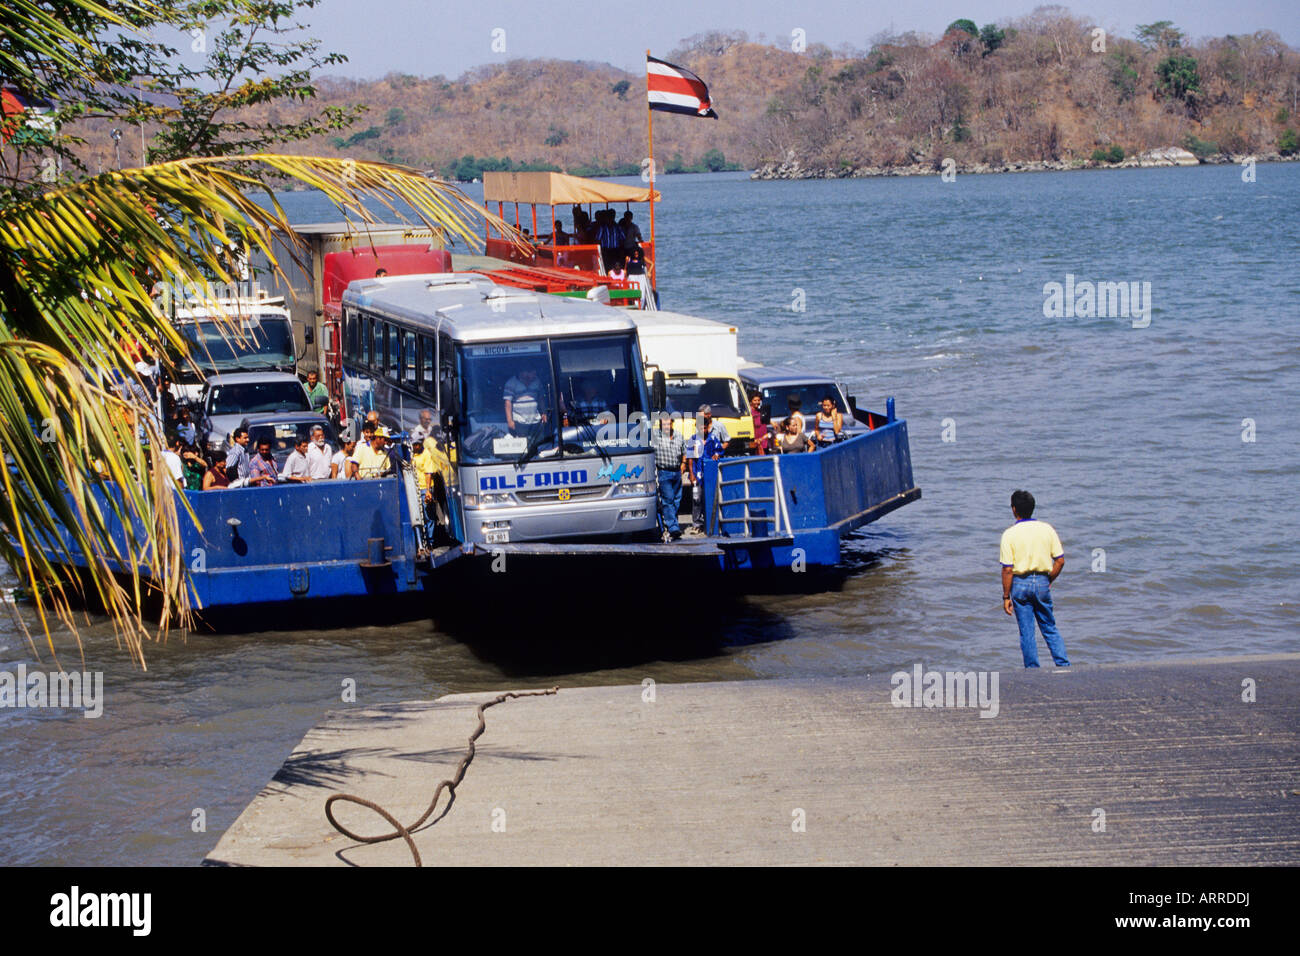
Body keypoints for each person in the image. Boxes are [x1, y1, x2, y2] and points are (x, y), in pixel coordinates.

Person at [1000, 489, 1069, 669]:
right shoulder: (1047, 529)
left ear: (1014, 510)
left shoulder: (1009, 534)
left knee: (1027, 632)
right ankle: (1063, 664)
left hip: (1020, 584)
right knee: (1049, 627)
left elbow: (1007, 569)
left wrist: (1006, 596)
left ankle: (1032, 670)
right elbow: (1060, 560)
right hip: (1041, 582)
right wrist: (1048, 580)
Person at [684, 404, 728, 535]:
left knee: (710, 497)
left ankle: (711, 523)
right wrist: (691, 474)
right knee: (696, 499)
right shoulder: (693, 439)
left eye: (705, 427)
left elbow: (720, 450)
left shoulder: (712, 439)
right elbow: (690, 458)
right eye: (700, 426)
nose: (702, 429)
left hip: (710, 475)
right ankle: (697, 524)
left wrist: (717, 454)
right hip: (697, 475)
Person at [650, 412, 686, 540]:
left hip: (677, 472)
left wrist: (684, 463)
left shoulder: (678, 435)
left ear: (672, 424)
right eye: (663, 424)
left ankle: (670, 522)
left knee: (677, 499)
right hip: (663, 471)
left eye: (668, 423)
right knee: (668, 499)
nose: (666, 426)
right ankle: (673, 527)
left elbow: (684, 451)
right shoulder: (655, 436)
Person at [503, 367, 547, 437]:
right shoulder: (511, 383)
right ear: (523, 373)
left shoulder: (537, 381)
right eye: (532, 373)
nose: (534, 375)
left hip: (536, 422)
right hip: (519, 423)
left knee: (539, 445)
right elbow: (508, 403)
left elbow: (541, 398)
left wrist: (544, 413)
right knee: (523, 446)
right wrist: (509, 421)